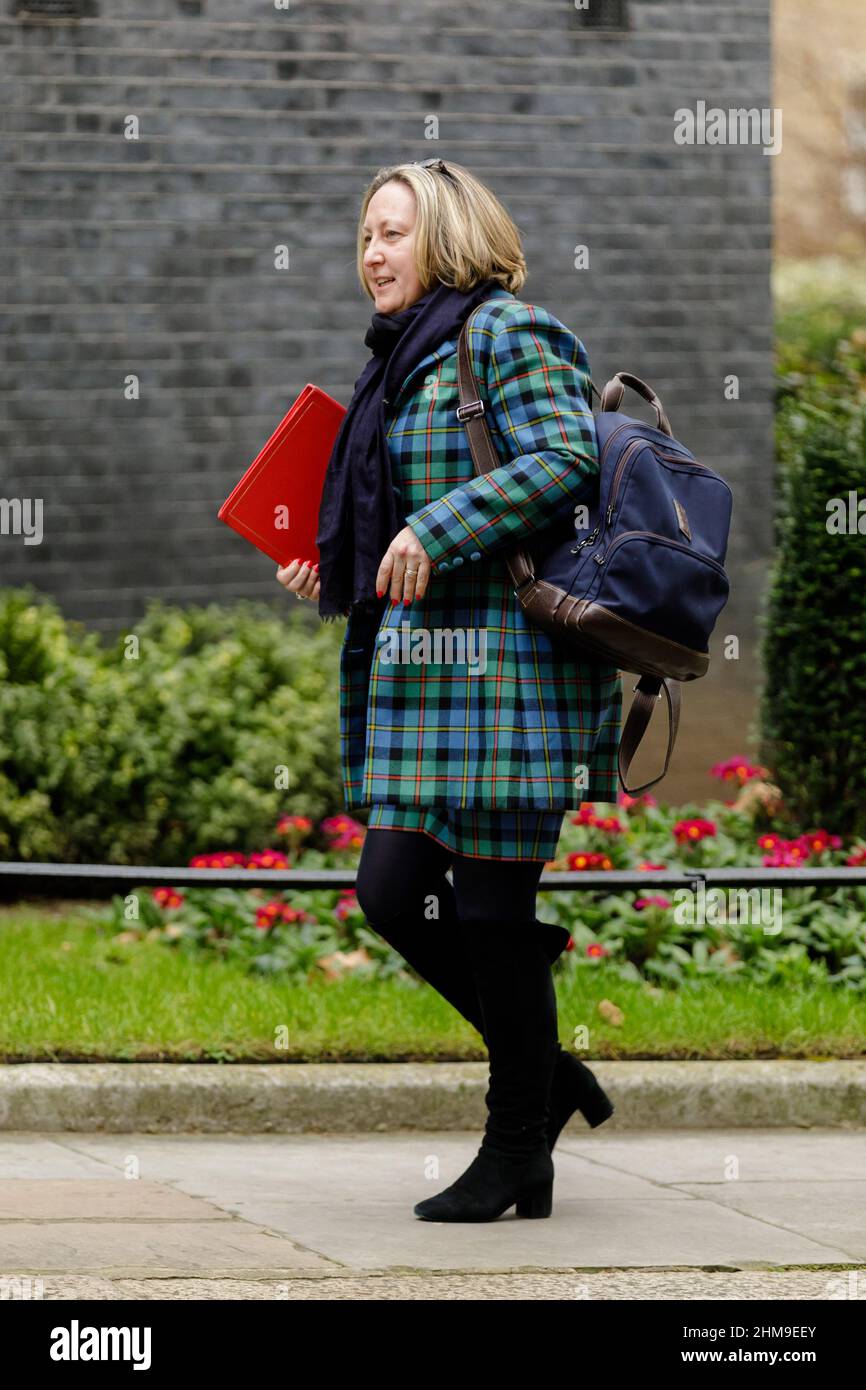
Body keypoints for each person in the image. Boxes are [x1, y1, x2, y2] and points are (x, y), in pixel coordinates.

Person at [277, 158, 621, 1222]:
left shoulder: (508, 332)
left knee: (489, 909)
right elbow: (385, 507)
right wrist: (331, 560)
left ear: (450, 236)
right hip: (430, 678)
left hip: (513, 676)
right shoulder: (398, 361)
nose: (370, 253)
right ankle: (547, 1075)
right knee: (391, 889)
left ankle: (517, 1142)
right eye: (363, 236)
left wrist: (437, 525)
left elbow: (567, 455)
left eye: (391, 232)